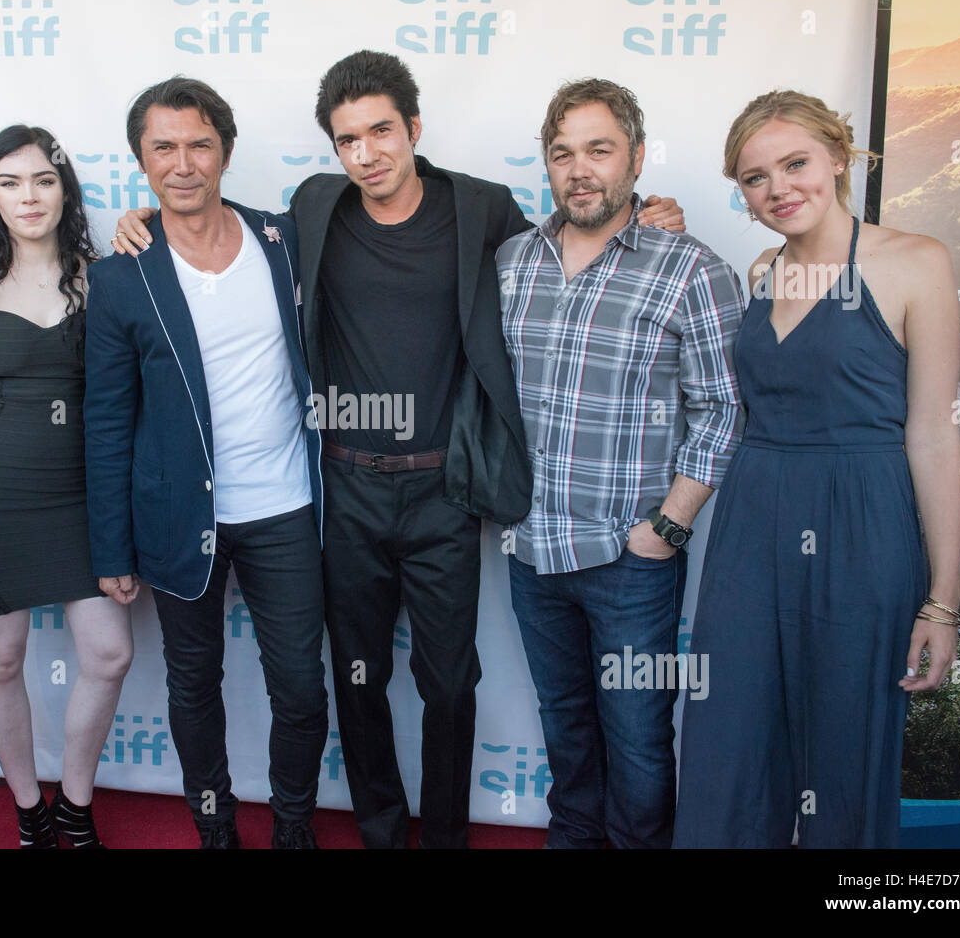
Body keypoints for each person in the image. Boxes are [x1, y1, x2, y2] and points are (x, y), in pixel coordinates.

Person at [112, 52, 685, 848]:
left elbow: (567, 250)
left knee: (450, 682)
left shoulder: (481, 208)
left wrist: (650, 215)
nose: (367, 152)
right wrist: (143, 219)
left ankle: (445, 834)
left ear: (414, 128)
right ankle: (382, 827)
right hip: (343, 489)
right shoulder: (312, 208)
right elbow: (211, 215)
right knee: (358, 677)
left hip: (442, 488)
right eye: (347, 139)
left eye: (381, 130)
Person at [673, 90, 960, 848]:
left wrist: (942, 599)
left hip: (863, 527)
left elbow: (933, 436)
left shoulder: (915, 261)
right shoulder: (764, 267)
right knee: (726, 741)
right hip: (751, 525)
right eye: (754, 178)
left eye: (795, 163)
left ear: (839, 157)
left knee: (845, 751)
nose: (778, 189)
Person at [496, 78, 746, 848]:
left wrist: (665, 528)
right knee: (564, 730)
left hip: (630, 559)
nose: (580, 169)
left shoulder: (692, 269)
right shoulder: (511, 261)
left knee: (637, 742)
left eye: (599, 150)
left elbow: (725, 408)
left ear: (636, 158)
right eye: (563, 153)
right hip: (532, 551)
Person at [86, 77, 327, 849]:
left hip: (285, 505)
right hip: (177, 512)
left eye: (198, 144)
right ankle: (215, 826)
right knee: (192, 683)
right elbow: (106, 418)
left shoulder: (284, 239)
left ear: (225, 150)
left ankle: (292, 826)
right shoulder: (121, 273)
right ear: (141, 160)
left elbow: (403, 210)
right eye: (164, 147)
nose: (182, 163)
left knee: (300, 686)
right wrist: (110, 548)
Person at [0, 125, 133, 848]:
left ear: (64, 187)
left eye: (43, 179)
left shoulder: (100, 275)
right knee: (2, 659)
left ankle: (75, 808)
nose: (28, 195)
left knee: (109, 653)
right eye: (9, 182)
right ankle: (28, 812)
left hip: (84, 495)